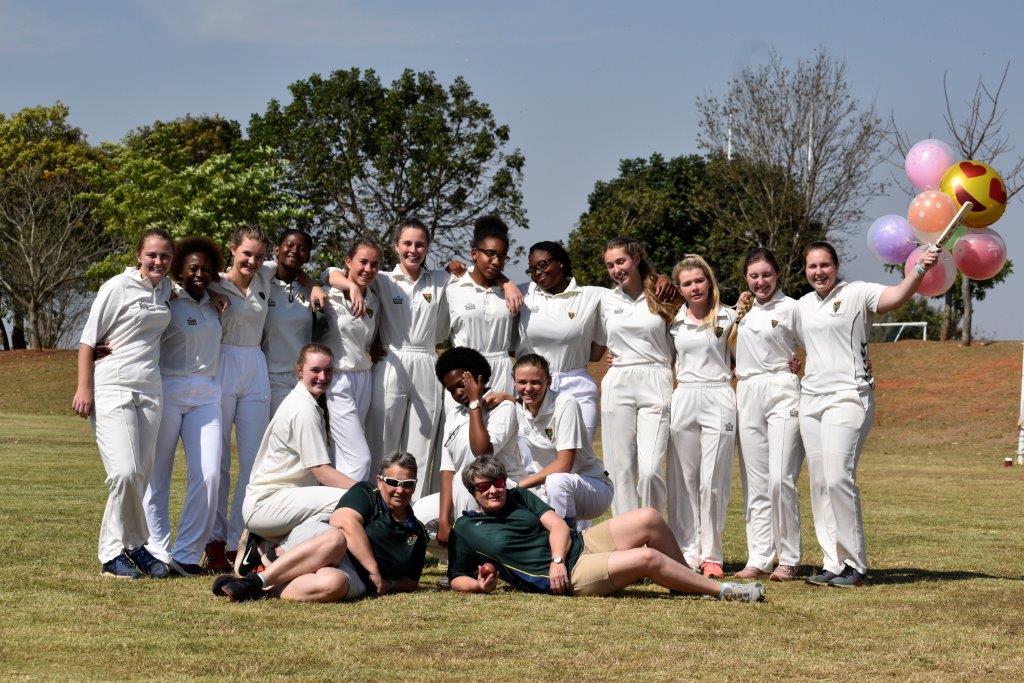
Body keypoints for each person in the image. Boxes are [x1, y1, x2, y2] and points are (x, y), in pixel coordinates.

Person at [799, 241, 939, 587]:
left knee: (837, 478)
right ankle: (832, 562)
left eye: (825, 265)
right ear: (805, 270)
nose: (819, 272)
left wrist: (920, 268)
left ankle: (855, 565)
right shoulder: (802, 305)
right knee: (820, 484)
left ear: (836, 266)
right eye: (812, 266)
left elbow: (897, 296)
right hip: (811, 401)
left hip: (849, 397)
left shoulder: (858, 293)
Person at [447, 458, 764, 601]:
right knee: (648, 558)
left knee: (648, 517)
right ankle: (723, 591)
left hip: (577, 545)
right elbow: (456, 576)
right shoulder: (466, 528)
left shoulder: (518, 496)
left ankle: (684, 582)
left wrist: (557, 559)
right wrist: (479, 587)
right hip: (571, 576)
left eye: (498, 482)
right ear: (473, 492)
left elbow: (557, 525)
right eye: (484, 486)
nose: (494, 490)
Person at [73, 228, 175, 579]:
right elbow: (87, 342)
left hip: (151, 390)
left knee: (139, 476)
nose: (158, 261)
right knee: (124, 473)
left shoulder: (167, 289)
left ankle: (130, 548)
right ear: (138, 255)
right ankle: (118, 552)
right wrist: (84, 388)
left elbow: (207, 278)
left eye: (165, 256)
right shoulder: (117, 286)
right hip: (112, 385)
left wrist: (218, 294)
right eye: (152, 255)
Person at [324, 219, 451, 498]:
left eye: (420, 245)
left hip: (427, 361)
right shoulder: (382, 279)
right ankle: (375, 502)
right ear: (396, 246)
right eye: (407, 243)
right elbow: (330, 272)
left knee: (421, 443)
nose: (413, 250)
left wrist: (506, 284)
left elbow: (474, 275)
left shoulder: (440, 280)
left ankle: (415, 509)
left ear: (428, 248)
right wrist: (351, 286)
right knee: (382, 437)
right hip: (391, 360)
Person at [214, 452, 427, 602]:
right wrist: (373, 570)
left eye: (407, 484)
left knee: (333, 584)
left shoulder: (417, 532)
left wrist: (388, 585)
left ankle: (262, 589)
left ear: (414, 486)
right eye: (393, 482)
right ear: (380, 481)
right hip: (323, 544)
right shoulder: (366, 493)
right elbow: (343, 522)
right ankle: (258, 575)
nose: (400, 490)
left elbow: (411, 581)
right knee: (336, 540)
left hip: (354, 575)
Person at [143, 236, 224, 576]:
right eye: (193, 268)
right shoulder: (166, 296)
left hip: (207, 393)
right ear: (179, 269)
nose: (200, 274)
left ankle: (186, 555)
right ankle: (156, 550)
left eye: (206, 269)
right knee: (157, 474)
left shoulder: (216, 302)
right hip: (168, 388)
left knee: (209, 473)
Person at [240, 343, 356, 553]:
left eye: (328, 371)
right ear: (299, 371)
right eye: (315, 370)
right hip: (266, 504)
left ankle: (268, 545)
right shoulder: (303, 409)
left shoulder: (305, 402)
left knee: (337, 507)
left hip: (278, 501)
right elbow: (321, 471)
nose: (323, 377)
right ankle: (274, 550)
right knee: (349, 501)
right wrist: (367, 492)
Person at [731, 247, 803, 582]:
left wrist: (802, 366)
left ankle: (788, 557)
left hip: (782, 389)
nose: (761, 282)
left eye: (766, 275)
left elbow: (817, 343)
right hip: (747, 391)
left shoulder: (792, 308)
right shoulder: (741, 310)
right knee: (755, 481)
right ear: (746, 278)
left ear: (777, 274)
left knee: (780, 478)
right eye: (754, 276)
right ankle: (759, 557)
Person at [412, 347, 529, 547]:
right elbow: (447, 470)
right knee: (417, 516)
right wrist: (443, 521)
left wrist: (475, 404)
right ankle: (461, 554)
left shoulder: (503, 408)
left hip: (503, 490)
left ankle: (476, 558)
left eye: (461, 385)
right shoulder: (455, 415)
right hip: (466, 492)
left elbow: (482, 452)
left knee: (464, 480)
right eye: (451, 390)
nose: (458, 393)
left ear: (479, 378)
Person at [666, 254, 737, 578]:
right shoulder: (673, 323)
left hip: (718, 395)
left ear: (709, 281)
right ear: (679, 289)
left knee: (712, 482)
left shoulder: (730, 317)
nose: (694, 287)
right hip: (684, 396)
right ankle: (687, 551)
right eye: (687, 283)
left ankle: (711, 555)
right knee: (684, 481)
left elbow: (747, 356)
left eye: (699, 280)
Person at [597, 238, 678, 517]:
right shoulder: (606, 300)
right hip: (618, 379)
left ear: (637, 259)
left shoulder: (663, 293)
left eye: (621, 261)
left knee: (651, 469)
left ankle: (652, 530)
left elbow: (695, 323)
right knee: (619, 468)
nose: (616, 270)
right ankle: (626, 534)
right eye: (610, 265)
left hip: (656, 378)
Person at [489, 354, 612, 528]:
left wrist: (518, 486)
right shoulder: (518, 408)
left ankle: (567, 540)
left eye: (535, 382)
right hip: (547, 489)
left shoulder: (565, 403)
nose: (528, 388)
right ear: (514, 383)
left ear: (548, 381)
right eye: (522, 382)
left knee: (556, 482)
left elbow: (564, 465)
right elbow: (516, 400)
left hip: (592, 488)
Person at [514, 242, 607, 440]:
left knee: (580, 453)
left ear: (561, 263)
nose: (537, 273)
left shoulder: (591, 295)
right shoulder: (523, 294)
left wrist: (661, 279)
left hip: (577, 387)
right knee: (539, 454)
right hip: (534, 390)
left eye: (542, 265)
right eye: (532, 270)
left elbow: (631, 288)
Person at [320, 238, 383, 483]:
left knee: (344, 451)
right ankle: (350, 502)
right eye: (362, 262)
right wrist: (350, 286)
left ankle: (334, 503)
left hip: (364, 377)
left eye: (374, 264)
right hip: (336, 379)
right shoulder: (329, 293)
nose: (368, 269)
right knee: (360, 457)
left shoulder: (374, 300)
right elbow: (326, 273)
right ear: (348, 262)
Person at [443, 216, 519, 404]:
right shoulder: (452, 286)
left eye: (502, 256)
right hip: (464, 372)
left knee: (502, 422)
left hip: (501, 372)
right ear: (474, 254)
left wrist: (507, 283)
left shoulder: (511, 293)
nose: (496, 261)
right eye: (490, 254)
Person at [262, 229, 318, 416]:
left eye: (302, 249)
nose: (295, 250)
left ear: (308, 257)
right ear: (277, 249)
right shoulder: (262, 282)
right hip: (270, 376)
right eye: (290, 245)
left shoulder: (312, 290)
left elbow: (332, 274)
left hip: (302, 377)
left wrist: (313, 286)